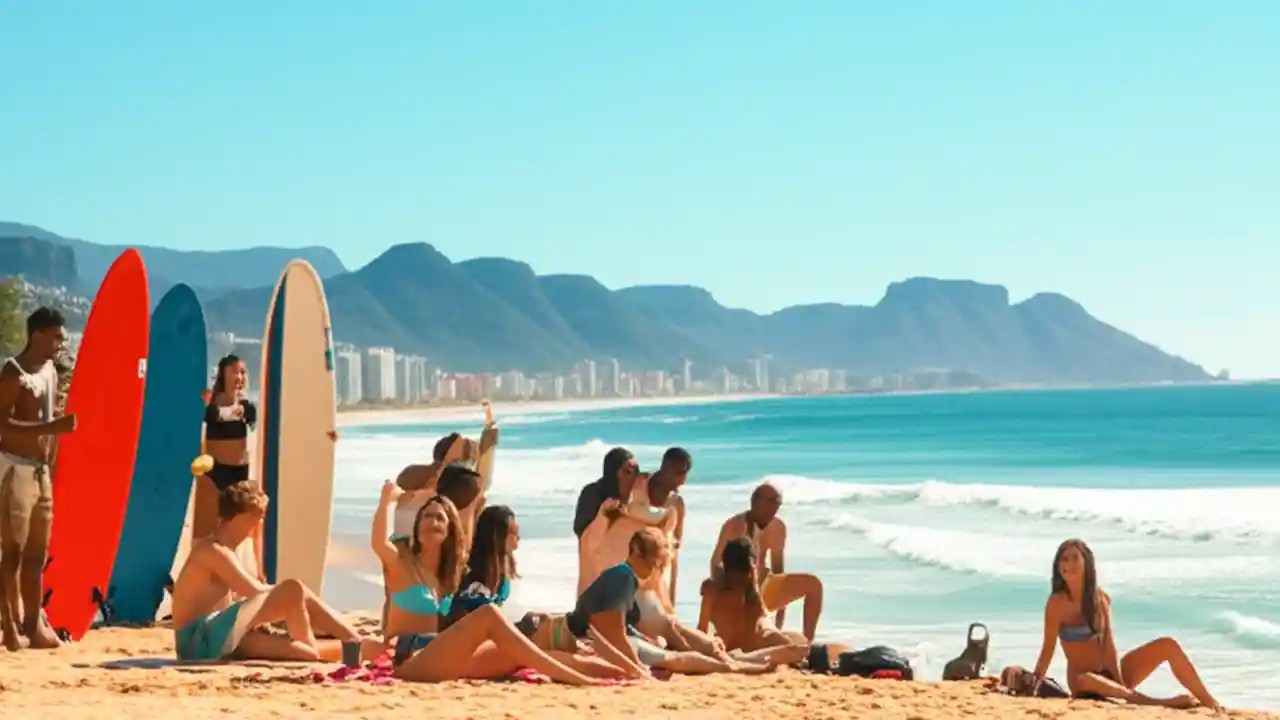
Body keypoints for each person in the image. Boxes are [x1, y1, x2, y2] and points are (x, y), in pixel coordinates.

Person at [370, 481, 597, 685]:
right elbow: (379, 542)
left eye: (440, 518)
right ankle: (576, 679)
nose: (433, 521)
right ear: (417, 526)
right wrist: (386, 500)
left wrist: (474, 505)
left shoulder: (446, 576)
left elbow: (466, 537)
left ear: (450, 530)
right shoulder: (403, 563)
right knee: (489, 614)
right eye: (427, 516)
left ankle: (622, 674)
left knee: (534, 643)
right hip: (408, 655)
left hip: (440, 653)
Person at [170, 483, 370, 662]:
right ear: (241, 517)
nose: (257, 525)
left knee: (298, 647)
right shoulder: (214, 551)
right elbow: (255, 592)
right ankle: (350, 641)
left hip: (213, 637)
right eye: (257, 518)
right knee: (293, 589)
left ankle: (356, 646)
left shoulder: (223, 549)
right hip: (200, 640)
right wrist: (287, 602)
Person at [1032, 539, 1221, 711]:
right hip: (1084, 684)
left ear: (1086, 563)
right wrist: (1035, 681)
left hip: (1110, 676)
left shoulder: (1099, 599)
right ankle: (1157, 702)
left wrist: (1119, 682)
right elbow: (1048, 648)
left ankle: (1210, 701)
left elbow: (1109, 646)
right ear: (1058, 565)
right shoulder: (1056, 604)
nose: (1069, 564)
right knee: (1086, 679)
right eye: (1064, 559)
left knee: (1168, 645)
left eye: (1075, 558)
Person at [447, 505, 628, 679]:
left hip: (492, 641)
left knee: (547, 625)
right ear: (496, 536)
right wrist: (521, 628)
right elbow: (464, 625)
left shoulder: (501, 577)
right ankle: (609, 667)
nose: (518, 536)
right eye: (512, 532)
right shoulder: (474, 580)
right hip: (470, 649)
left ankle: (602, 661)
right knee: (546, 638)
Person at [570, 527, 771, 677]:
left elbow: (619, 626)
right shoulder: (624, 577)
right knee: (675, 660)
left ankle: (733, 666)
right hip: (597, 643)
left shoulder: (624, 576)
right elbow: (613, 633)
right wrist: (638, 669)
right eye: (655, 562)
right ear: (637, 551)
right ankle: (732, 667)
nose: (655, 569)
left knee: (677, 657)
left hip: (611, 641)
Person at [0, 307, 76, 651]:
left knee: (37, 553)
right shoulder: (13, 373)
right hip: (14, 470)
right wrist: (51, 428)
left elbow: (51, 424)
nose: (60, 344)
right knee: (12, 552)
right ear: (37, 335)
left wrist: (53, 464)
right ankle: (9, 623)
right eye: (56, 336)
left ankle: (34, 623)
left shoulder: (50, 372)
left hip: (41, 472)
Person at [709, 482, 824, 641]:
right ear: (755, 501)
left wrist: (781, 611)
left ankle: (808, 645)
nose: (774, 507)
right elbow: (715, 564)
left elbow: (778, 569)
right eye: (770, 501)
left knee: (813, 584)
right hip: (739, 591)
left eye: (778, 503)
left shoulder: (778, 527)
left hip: (765, 587)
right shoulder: (734, 525)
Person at [697, 537, 809, 667]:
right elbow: (703, 630)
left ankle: (743, 658)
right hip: (751, 649)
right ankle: (742, 659)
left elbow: (702, 629)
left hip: (751, 648)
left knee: (799, 642)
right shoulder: (720, 589)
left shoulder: (724, 588)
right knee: (798, 648)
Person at [573, 448, 671, 594]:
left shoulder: (637, 503)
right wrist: (605, 515)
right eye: (627, 472)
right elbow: (588, 542)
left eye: (636, 472)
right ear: (613, 473)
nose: (633, 478)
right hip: (595, 587)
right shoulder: (594, 495)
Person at [195, 355, 256, 537]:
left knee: (234, 531)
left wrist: (242, 410)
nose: (239, 377)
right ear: (223, 374)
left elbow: (253, 419)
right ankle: (200, 563)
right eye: (234, 371)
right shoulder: (211, 405)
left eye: (243, 372)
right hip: (215, 472)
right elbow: (212, 416)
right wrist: (231, 410)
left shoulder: (246, 406)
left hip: (240, 474)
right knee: (206, 530)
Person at [644, 447, 690, 606]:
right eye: (679, 473)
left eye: (685, 474)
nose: (683, 480)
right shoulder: (638, 488)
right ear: (664, 468)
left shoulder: (677, 503)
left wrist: (671, 597)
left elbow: (675, 548)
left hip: (659, 571)